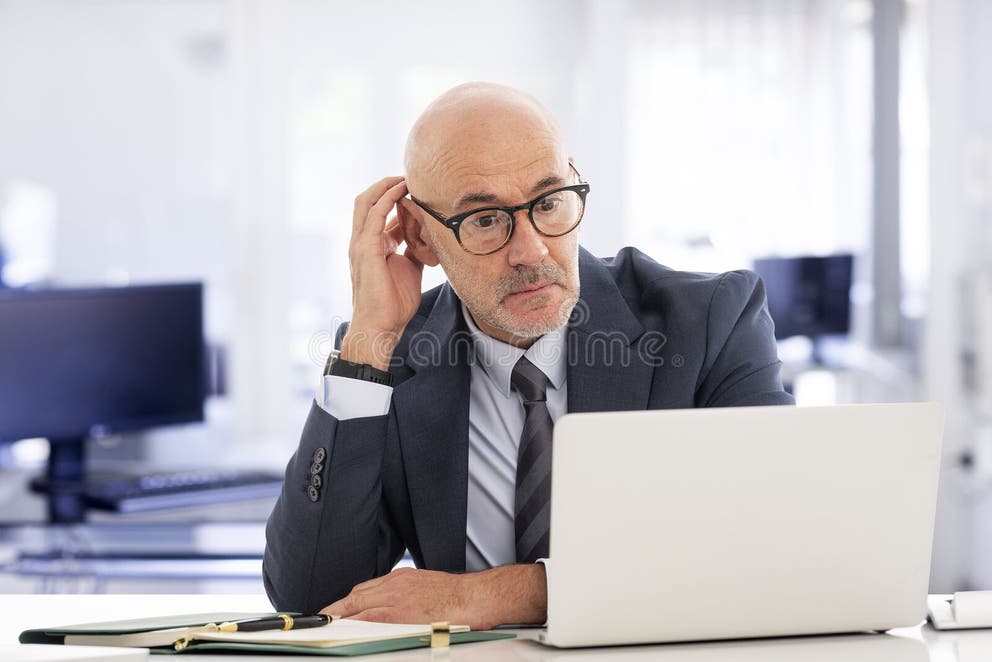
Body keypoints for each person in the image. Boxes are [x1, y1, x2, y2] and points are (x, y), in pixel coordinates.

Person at [263, 82, 794, 629]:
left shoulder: (712, 320)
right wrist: (366, 343)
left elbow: (777, 543)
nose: (531, 250)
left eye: (549, 202)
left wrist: (501, 596)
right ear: (421, 240)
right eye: (486, 220)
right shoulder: (391, 352)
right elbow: (310, 597)